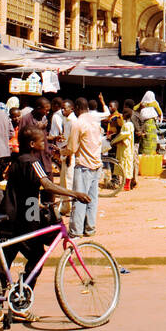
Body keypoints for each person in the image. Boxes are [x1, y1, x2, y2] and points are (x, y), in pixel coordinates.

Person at [0, 127, 91, 323]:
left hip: (10, 216)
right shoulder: (33, 162)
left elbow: (23, 189)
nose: (45, 144)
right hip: (24, 220)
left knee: (4, 262)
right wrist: (76, 194)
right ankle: (20, 304)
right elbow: (47, 185)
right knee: (37, 257)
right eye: (42, 141)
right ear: (33, 144)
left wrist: (38, 202)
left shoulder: (17, 161)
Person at [65, 98, 105, 237]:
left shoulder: (78, 123)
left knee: (80, 199)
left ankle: (76, 231)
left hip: (83, 165)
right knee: (92, 199)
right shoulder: (95, 121)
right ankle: (90, 228)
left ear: (76, 107)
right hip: (97, 164)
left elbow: (72, 148)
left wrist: (62, 152)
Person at [137, 91, 162, 159]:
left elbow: (134, 109)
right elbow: (160, 113)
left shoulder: (142, 104)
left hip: (144, 125)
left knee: (144, 140)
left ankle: (143, 158)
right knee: (152, 141)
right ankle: (150, 158)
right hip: (152, 126)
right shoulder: (155, 104)